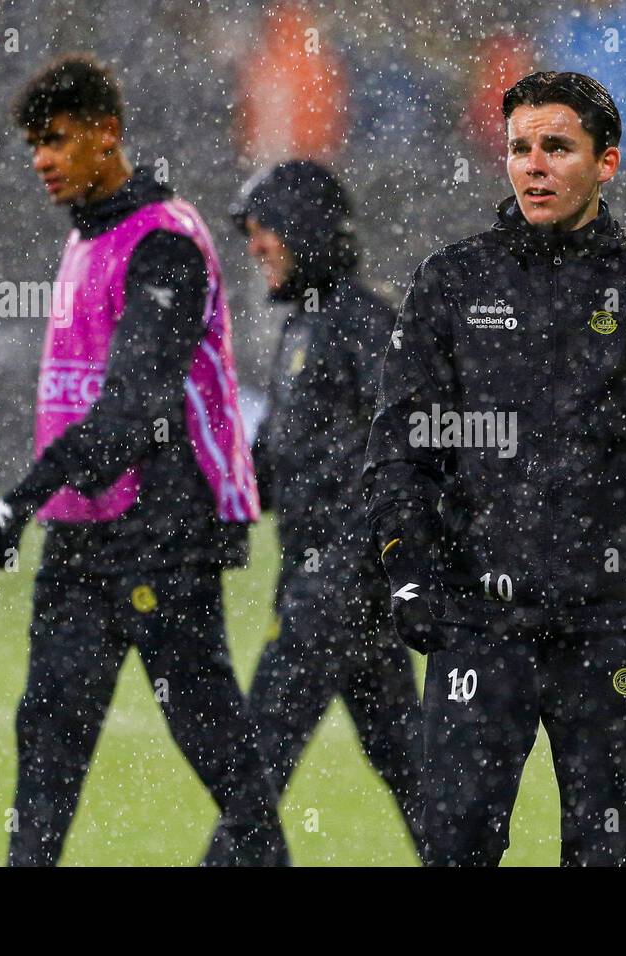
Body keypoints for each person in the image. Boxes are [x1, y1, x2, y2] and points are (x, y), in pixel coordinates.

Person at [363, 71, 626, 866]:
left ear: (606, 163)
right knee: (457, 851)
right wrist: (406, 566)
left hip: (609, 628)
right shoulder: (452, 282)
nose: (533, 165)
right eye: (519, 148)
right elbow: (401, 451)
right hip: (477, 624)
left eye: (556, 148)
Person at [0, 53, 286, 866]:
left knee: (212, 739)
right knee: (47, 733)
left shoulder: (165, 244)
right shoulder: (89, 235)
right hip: (87, 531)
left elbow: (132, 411)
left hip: (165, 524)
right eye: (32, 146)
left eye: (56, 140)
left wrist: (24, 494)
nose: (40, 160)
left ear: (106, 135)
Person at [230, 161, 426, 859]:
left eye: (265, 232)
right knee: (416, 773)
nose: (255, 249)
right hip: (338, 593)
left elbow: (413, 448)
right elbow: (274, 462)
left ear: (307, 232)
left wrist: (358, 569)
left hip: (335, 593)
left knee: (249, 771)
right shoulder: (304, 325)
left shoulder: (363, 325)